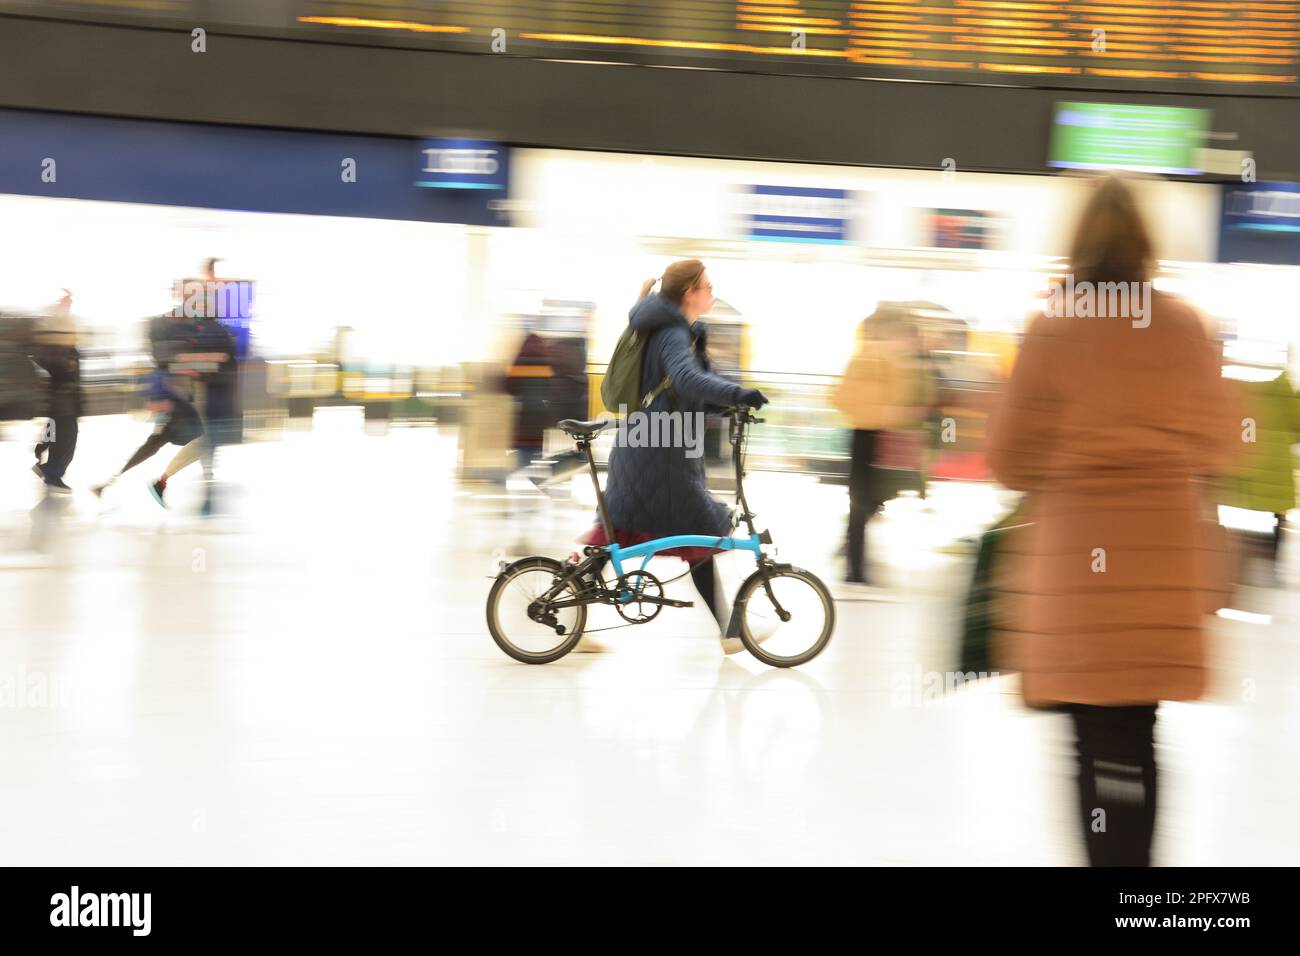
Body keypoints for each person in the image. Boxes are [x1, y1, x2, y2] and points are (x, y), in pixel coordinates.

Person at [985, 176, 1240, 866]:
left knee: (1090, 741)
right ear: (1146, 246)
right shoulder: (1184, 325)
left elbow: (1007, 459)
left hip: (1078, 567)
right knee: (1138, 734)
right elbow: (1221, 441)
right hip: (1162, 561)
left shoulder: (1053, 327)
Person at [580, 260, 767, 653]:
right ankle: (731, 634)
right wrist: (738, 394)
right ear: (689, 293)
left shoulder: (669, 330)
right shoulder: (672, 332)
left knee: (617, 531)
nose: (712, 293)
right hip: (660, 454)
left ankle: (570, 618)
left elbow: (684, 392)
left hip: (650, 446)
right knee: (699, 531)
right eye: (707, 286)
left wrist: (728, 405)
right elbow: (685, 380)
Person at [832, 303, 933, 585]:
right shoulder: (890, 357)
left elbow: (840, 397)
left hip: (862, 433)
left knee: (861, 500)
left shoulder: (864, 356)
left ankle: (854, 563)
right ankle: (854, 563)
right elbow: (906, 396)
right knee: (870, 498)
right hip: (881, 434)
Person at [91, 371, 205, 498]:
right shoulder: (164, 390)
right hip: (179, 421)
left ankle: (109, 484)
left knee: (151, 448)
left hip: (182, 420)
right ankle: (158, 483)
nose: (149, 407)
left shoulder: (167, 392)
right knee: (150, 449)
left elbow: (162, 404)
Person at [30, 291, 81, 494]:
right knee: (68, 435)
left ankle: (42, 455)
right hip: (63, 392)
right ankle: (53, 473)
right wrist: (64, 364)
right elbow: (42, 356)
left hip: (59, 392)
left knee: (55, 426)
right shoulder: (56, 341)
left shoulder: (59, 337)